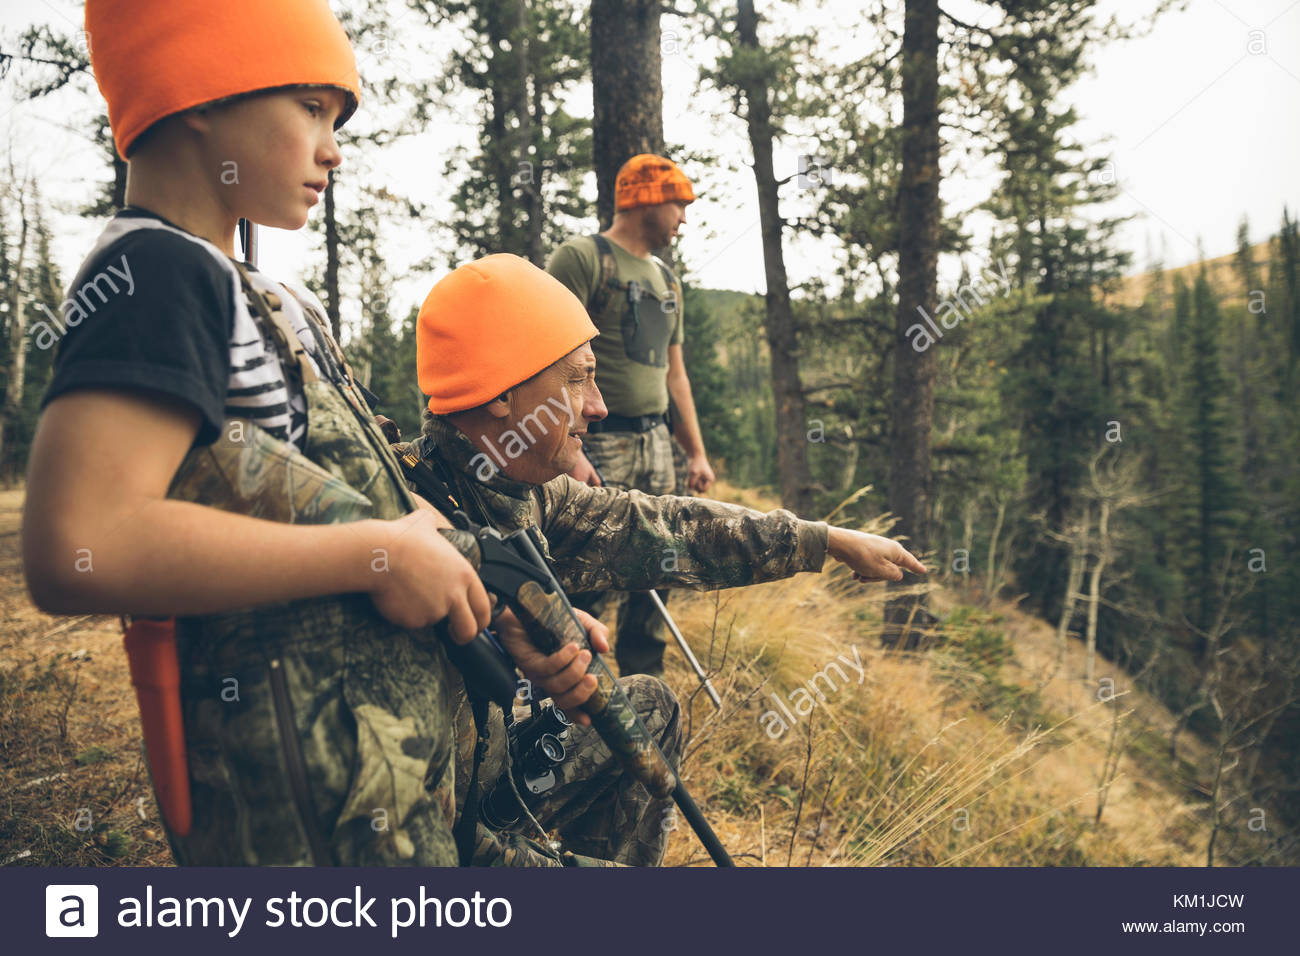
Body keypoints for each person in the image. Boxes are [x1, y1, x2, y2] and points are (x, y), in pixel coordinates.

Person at [21, 0, 607, 868]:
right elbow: (80, 543)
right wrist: (376, 556)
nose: (333, 146)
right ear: (198, 95)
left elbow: (362, 505)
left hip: (383, 787)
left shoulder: (272, 301)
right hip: (306, 824)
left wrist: (489, 614)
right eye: (310, 108)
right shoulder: (155, 273)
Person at [405, 257, 928, 791]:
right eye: (577, 380)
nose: (599, 406)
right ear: (500, 394)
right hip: (437, 821)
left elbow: (666, 526)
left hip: (493, 778)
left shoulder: (529, 494)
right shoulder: (393, 511)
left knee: (651, 708)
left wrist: (824, 541)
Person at [546, 154, 715, 677]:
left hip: (656, 445)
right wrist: (565, 455)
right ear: (648, 199)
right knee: (587, 569)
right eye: (679, 204)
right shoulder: (580, 258)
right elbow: (547, 357)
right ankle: (574, 700)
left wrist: (696, 453)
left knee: (657, 566)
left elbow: (675, 374)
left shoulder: (666, 280)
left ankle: (645, 692)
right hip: (597, 441)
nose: (684, 218)